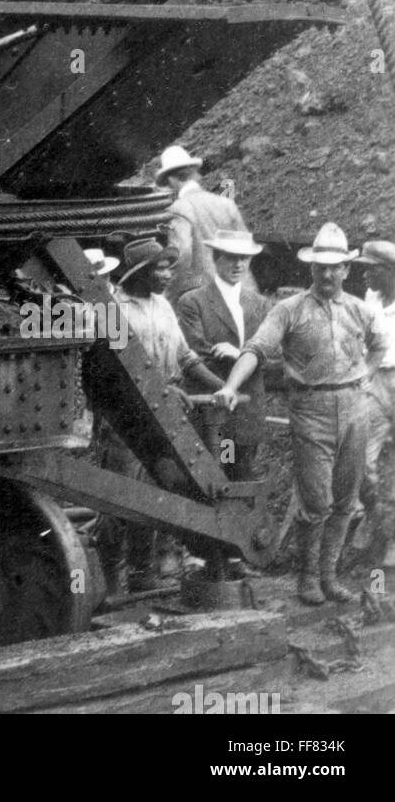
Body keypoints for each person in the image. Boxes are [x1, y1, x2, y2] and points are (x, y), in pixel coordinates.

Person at [217, 223, 385, 605]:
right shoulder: (289, 310)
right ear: (311, 269)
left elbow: (378, 345)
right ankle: (307, 577)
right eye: (321, 267)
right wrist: (230, 385)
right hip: (310, 410)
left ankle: (330, 576)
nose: (328, 274)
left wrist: (366, 377)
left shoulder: (359, 310)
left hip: (355, 408)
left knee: (346, 499)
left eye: (335, 267)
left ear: (346, 269)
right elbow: (256, 349)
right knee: (316, 501)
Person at [96, 237, 224, 597]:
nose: (168, 274)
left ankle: (140, 573)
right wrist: (165, 390)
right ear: (139, 273)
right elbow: (121, 372)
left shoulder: (164, 308)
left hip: (166, 418)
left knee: (157, 492)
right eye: (160, 269)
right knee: (115, 497)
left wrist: (221, 388)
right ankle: (108, 582)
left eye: (169, 267)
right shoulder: (113, 311)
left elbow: (185, 357)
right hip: (125, 419)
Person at [176, 229, 270, 481]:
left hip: (247, 409)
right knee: (218, 475)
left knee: (243, 474)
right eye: (230, 257)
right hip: (215, 412)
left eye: (244, 258)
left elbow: (271, 352)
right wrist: (240, 359)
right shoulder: (193, 302)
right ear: (216, 258)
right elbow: (195, 351)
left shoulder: (258, 304)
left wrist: (239, 354)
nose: (238, 264)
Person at [155, 144, 247, 301]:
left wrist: (167, 295)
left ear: (171, 179)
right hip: (239, 293)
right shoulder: (226, 203)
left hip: (206, 299)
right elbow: (246, 245)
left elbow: (182, 255)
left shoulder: (178, 209)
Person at [356, 239, 395, 568]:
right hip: (377, 381)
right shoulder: (371, 298)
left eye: (371, 269)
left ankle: (391, 542)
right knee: (362, 459)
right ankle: (376, 523)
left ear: (389, 271)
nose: (365, 275)